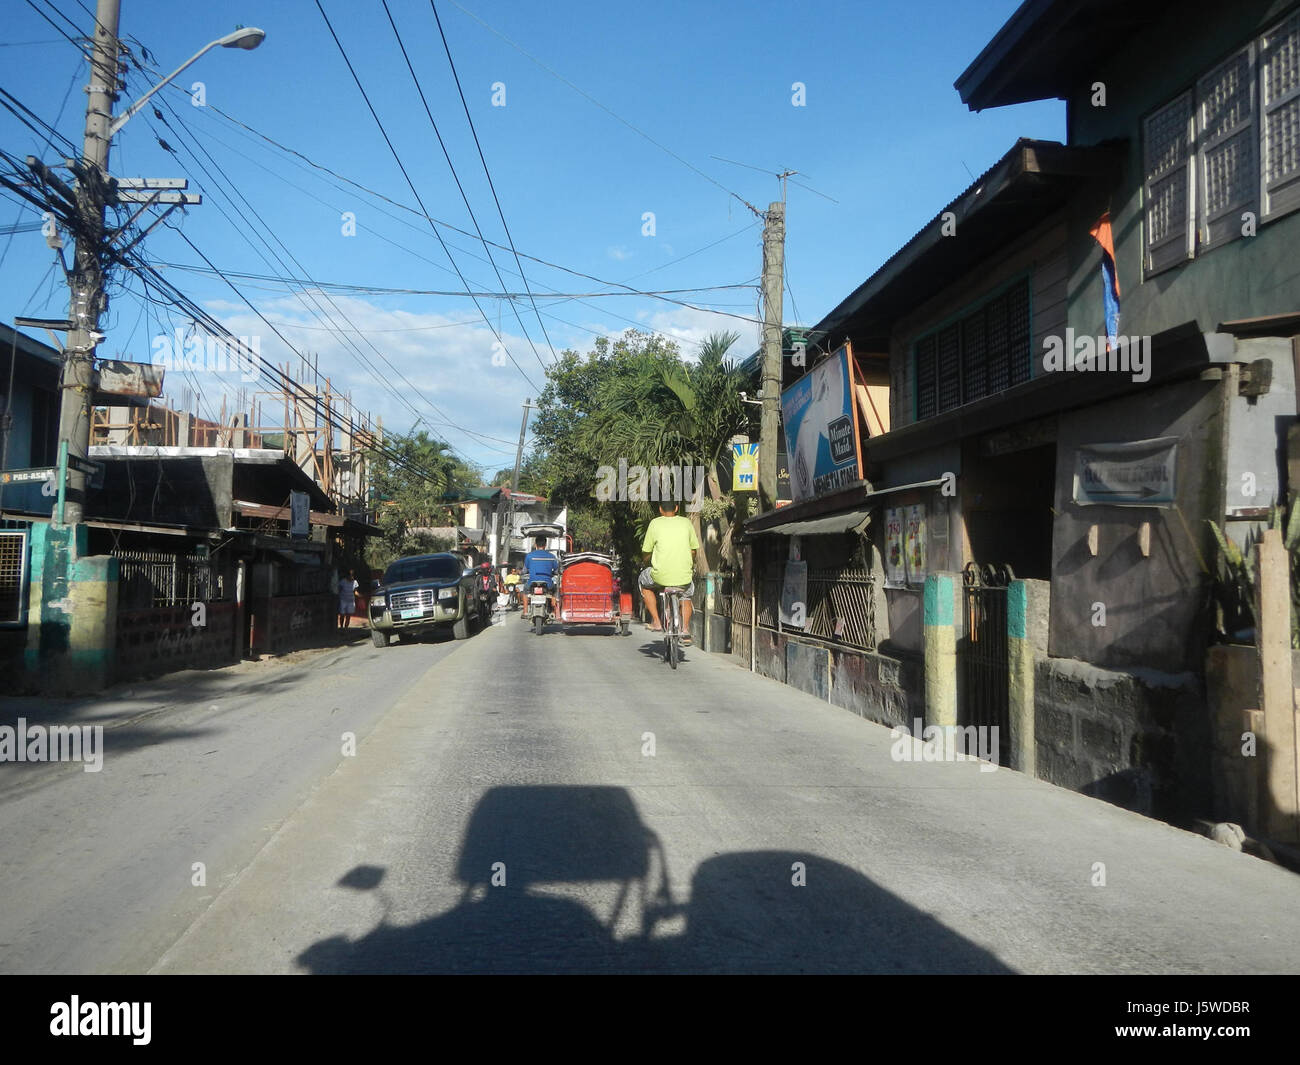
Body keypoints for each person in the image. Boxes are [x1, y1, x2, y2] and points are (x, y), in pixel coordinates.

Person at [639, 500, 698, 644]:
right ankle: (685, 630)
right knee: (686, 594)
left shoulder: (655, 523)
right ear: (677, 508)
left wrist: (647, 561)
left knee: (643, 581)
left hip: (660, 576)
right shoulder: (686, 523)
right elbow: (693, 551)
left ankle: (656, 622)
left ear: (660, 509)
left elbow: (646, 551)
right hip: (683, 576)